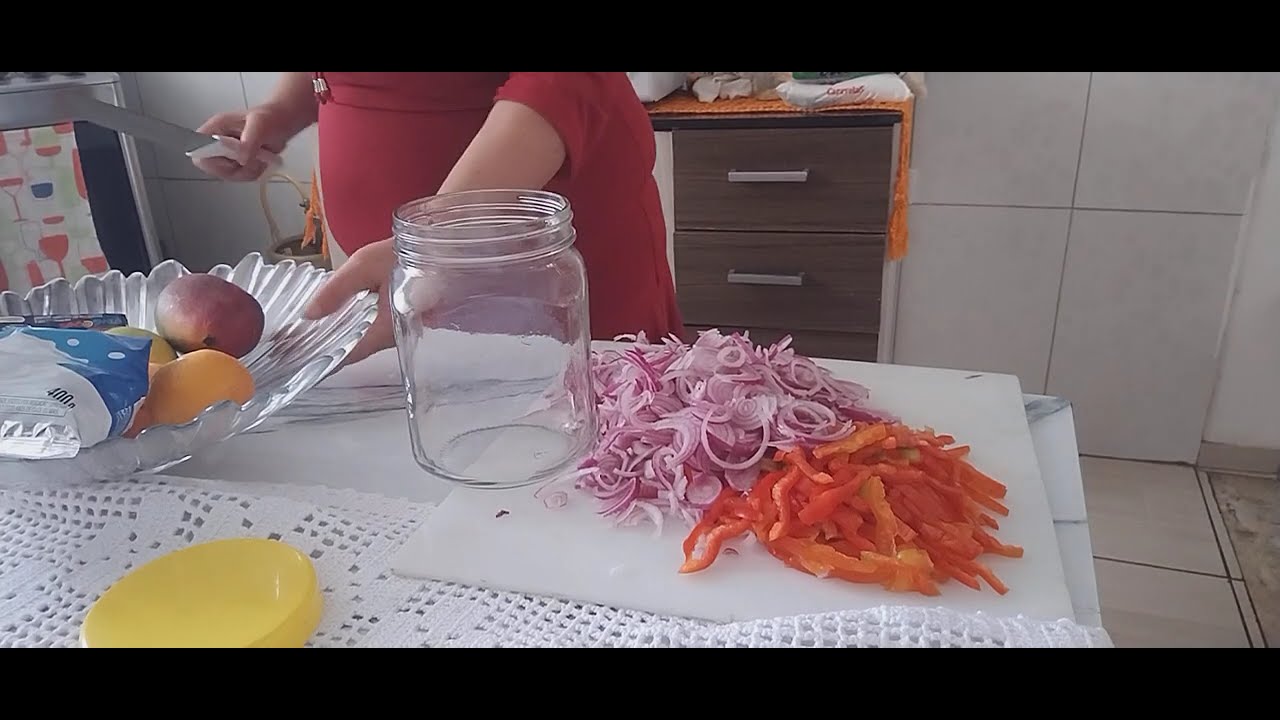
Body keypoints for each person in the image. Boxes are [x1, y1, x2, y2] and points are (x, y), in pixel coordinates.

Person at [194, 72, 682, 364]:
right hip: (410, 272)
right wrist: (280, 112)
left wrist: (436, 244)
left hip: (540, 253)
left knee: (586, 467)